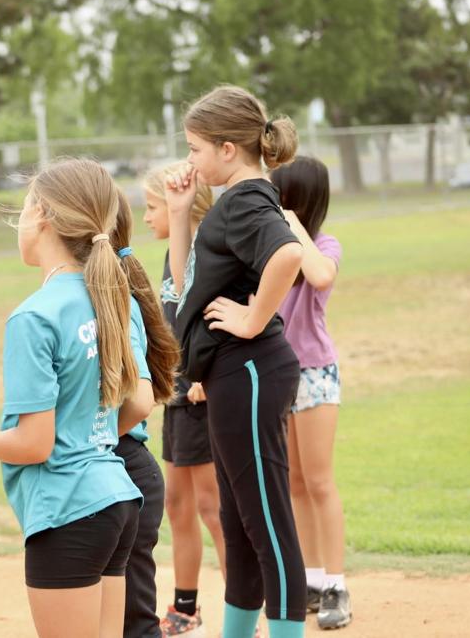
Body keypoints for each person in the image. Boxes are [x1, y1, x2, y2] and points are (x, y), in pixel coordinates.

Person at [0, 158, 155, 638]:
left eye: (23, 208)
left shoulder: (35, 316)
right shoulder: (107, 296)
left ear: (41, 216)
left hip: (69, 511)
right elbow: (136, 403)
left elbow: (35, 444)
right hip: (116, 498)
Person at [165, 85, 307, 638]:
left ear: (228, 149)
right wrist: (180, 215)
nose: (191, 160)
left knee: (267, 523)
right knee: (240, 522)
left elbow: (290, 253)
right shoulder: (234, 199)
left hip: (249, 369)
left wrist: (251, 319)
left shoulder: (246, 197)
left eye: (196, 148)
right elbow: (188, 291)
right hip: (232, 375)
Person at [143, 164, 227, 637]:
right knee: (177, 504)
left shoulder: (204, 251)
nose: (147, 216)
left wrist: (205, 372)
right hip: (177, 396)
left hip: (202, 396)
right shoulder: (170, 255)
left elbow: (211, 314)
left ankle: (244, 613)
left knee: (215, 509)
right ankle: (186, 606)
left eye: (152, 206)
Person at [273, 156, 350, 630]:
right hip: (281, 374)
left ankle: (338, 585)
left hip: (316, 373)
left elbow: (320, 276)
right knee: (295, 482)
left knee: (319, 481)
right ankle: (312, 579)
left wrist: (296, 227)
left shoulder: (322, 244)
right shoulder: (275, 249)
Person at [110, 188, 182, 638]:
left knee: (134, 623)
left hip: (127, 465)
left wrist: (92, 435)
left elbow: (140, 398)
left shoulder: (115, 296)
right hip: (120, 465)